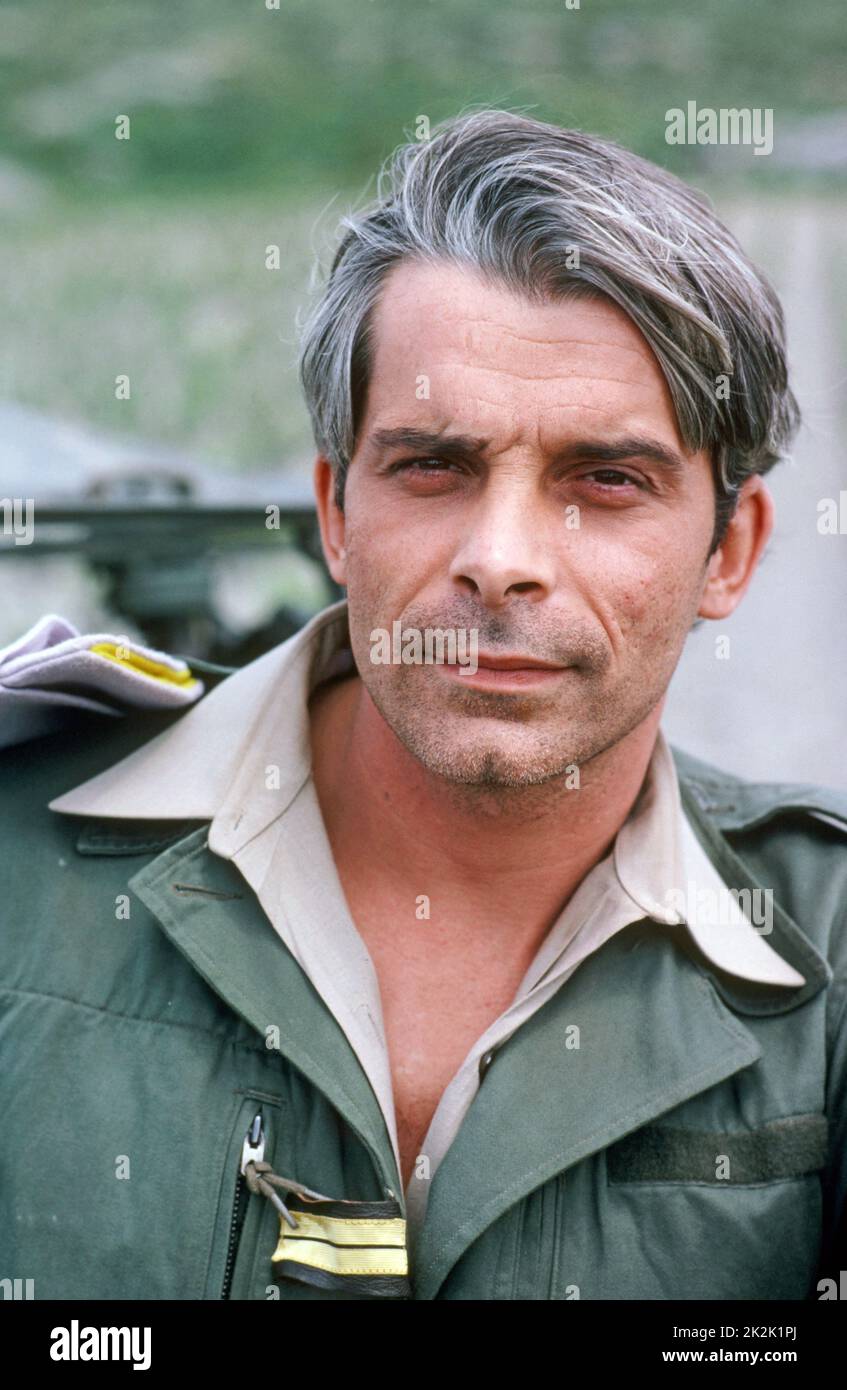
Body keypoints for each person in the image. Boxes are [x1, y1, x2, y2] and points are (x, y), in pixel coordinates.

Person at [2, 109, 845, 1302]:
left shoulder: (828, 942)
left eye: (604, 480)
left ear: (729, 550)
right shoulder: (18, 860)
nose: (500, 559)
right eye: (433, 466)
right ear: (337, 511)